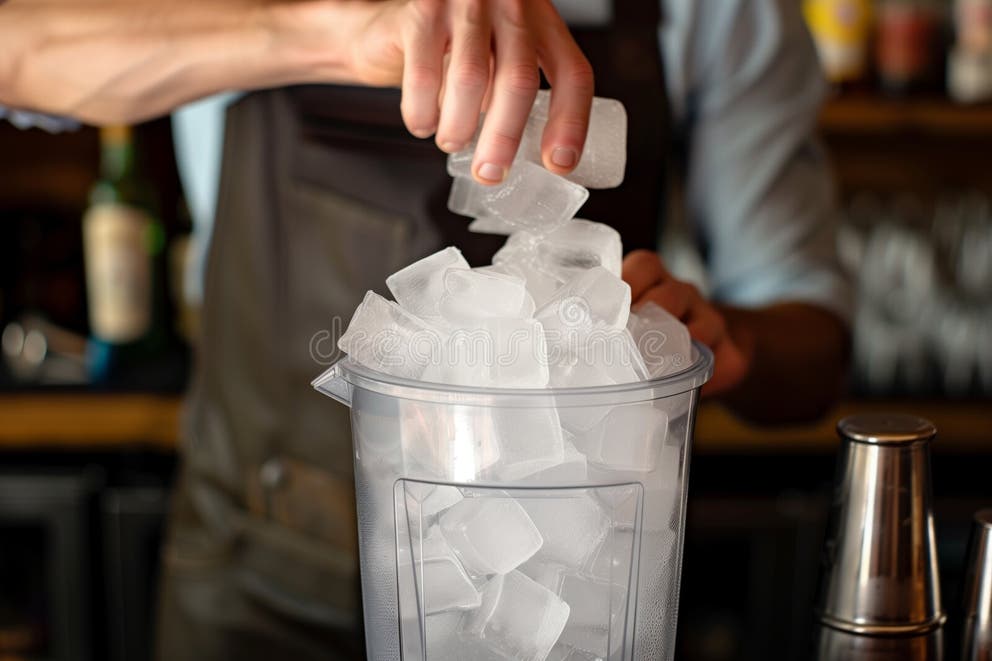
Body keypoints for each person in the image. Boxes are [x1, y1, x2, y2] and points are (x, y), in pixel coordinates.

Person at [1, 0, 852, 658]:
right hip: (255, 578)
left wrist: (719, 339)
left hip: (574, 604)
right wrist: (334, 29)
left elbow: (814, 343)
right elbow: (18, 51)